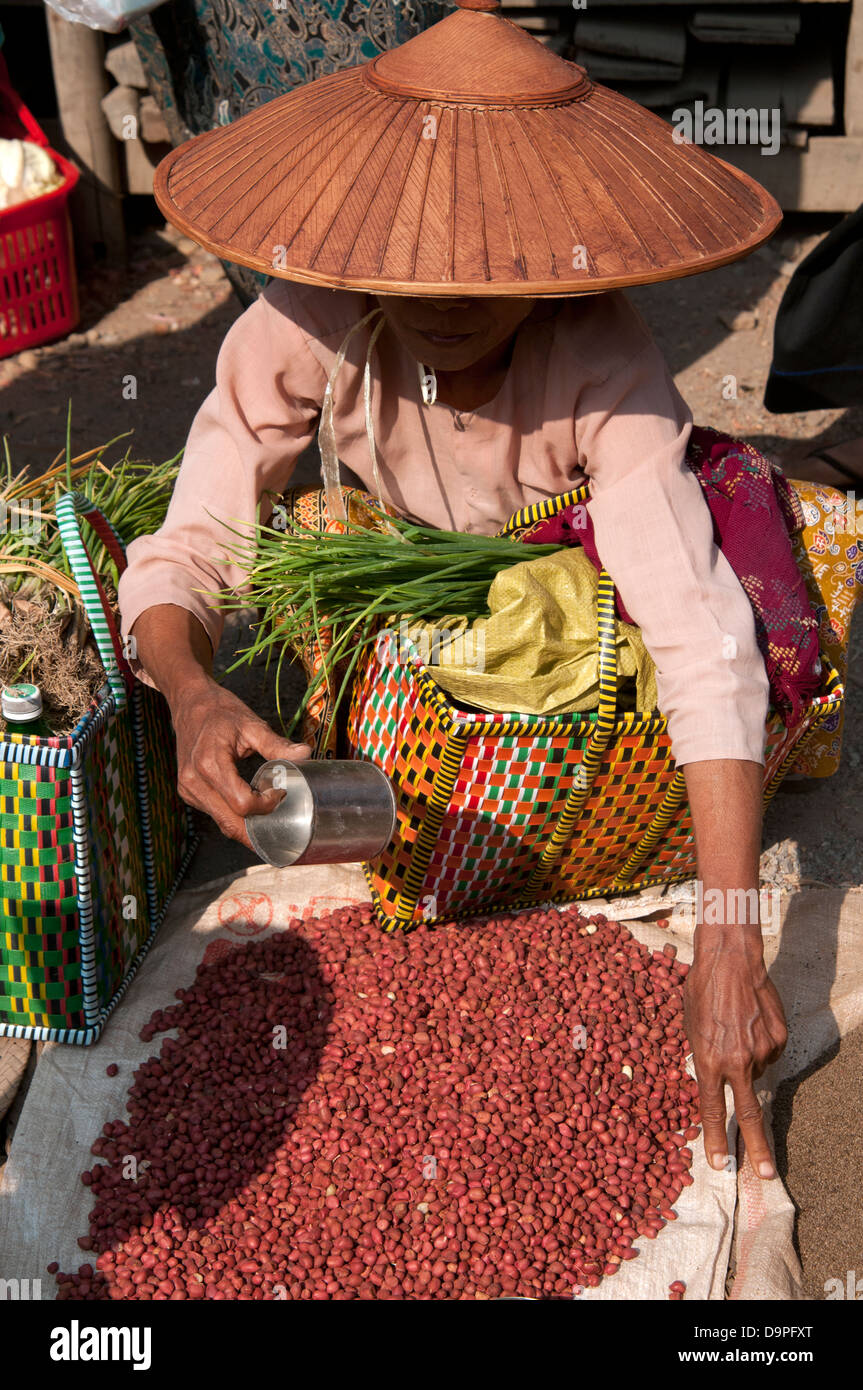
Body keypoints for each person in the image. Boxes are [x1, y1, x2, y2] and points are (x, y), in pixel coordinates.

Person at [120, 0, 789, 1181]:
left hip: (549, 586)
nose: (438, 302)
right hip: (394, 575)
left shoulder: (605, 362)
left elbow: (700, 640)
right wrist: (187, 689)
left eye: (482, 277)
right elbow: (195, 538)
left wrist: (729, 937)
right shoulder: (306, 318)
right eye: (407, 274)